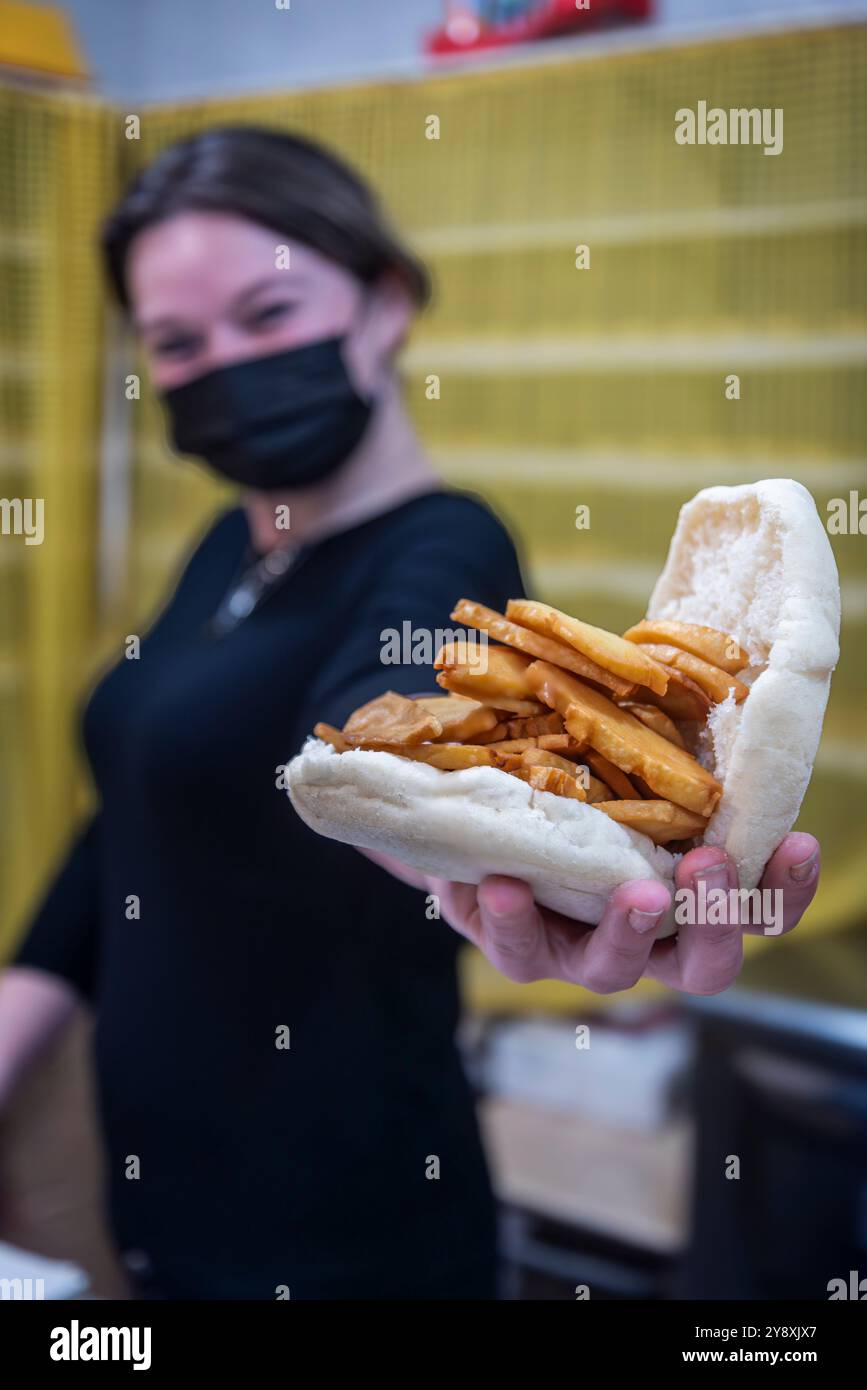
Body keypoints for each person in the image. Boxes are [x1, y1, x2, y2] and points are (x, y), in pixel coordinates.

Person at [0, 126, 821, 1301]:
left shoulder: (445, 545)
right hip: (161, 1200)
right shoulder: (225, 548)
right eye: (177, 342)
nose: (222, 362)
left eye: (266, 317)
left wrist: (563, 893)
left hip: (345, 1223)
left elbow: (391, 770)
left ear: (386, 304)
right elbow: (127, 826)